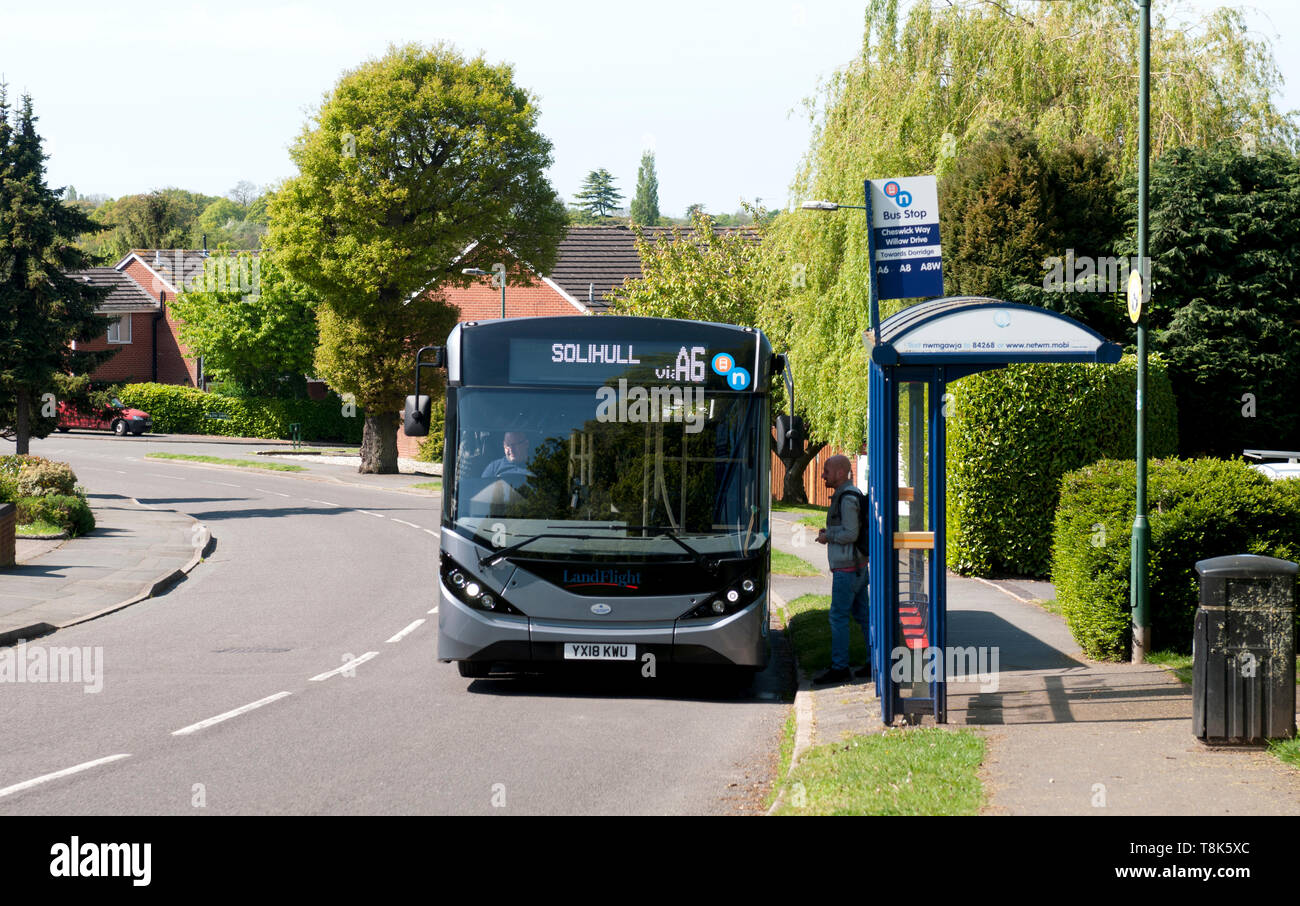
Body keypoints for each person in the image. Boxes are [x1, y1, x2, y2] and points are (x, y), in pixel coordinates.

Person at [813, 453, 871, 685]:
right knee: (863, 616)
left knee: (838, 617)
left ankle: (840, 667)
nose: (823, 475)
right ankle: (873, 661)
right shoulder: (851, 494)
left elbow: (850, 533)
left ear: (839, 473)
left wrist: (829, 536)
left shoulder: (847, 498)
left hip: (847, 569)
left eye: (826, 470)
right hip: (857, 566)